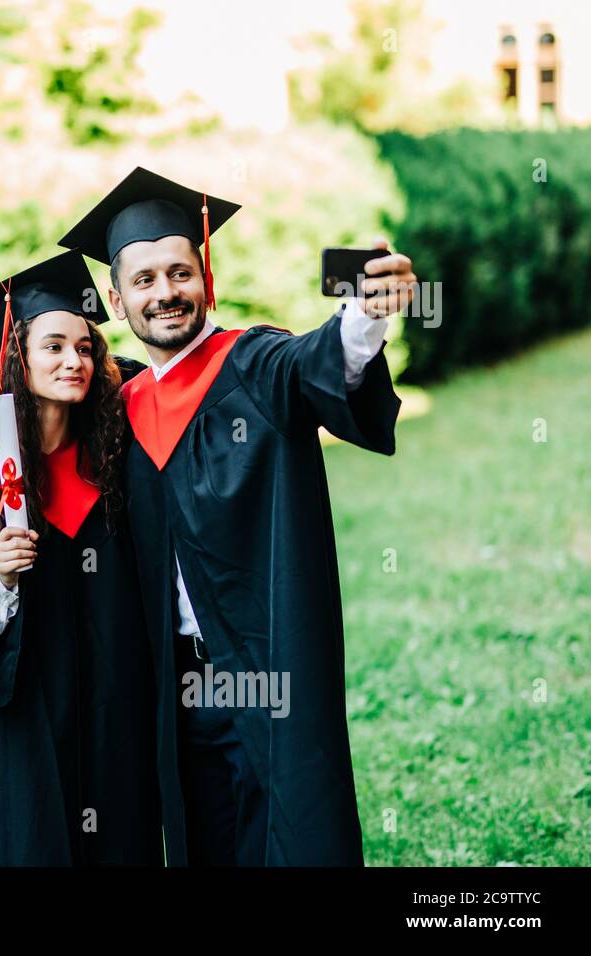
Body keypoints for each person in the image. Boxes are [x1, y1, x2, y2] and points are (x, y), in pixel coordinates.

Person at [59, 167, 414, 865]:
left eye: (178, 273)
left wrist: (364, 314)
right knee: (201, 839)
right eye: (144, 281)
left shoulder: (253, 365)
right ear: (115, 297)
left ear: (206, 276)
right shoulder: (120, 407)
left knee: (288, 831)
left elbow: (319, 359)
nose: (164, 293)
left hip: (266, 676)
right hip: (175, 688)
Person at [0, 250, 161, 865]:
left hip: (113, 718)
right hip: (21, 730)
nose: (73, 361)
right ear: (16, 357)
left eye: (85, 348)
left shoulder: (115, 466)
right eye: (53, 346)